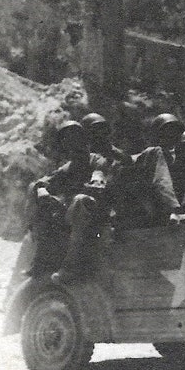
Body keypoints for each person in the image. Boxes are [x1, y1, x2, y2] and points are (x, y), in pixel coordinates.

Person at [26, 120, 110, 281]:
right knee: (44, 202)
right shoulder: (69, 167)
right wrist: (42, 189)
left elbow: (98, 183)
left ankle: (71, 267)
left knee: (79, 201)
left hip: (97, 215)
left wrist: (89, 186)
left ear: (84, 140)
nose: (72, 145)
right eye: (67, 141)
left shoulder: (97, 160)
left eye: (75, 139)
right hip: (75, 213)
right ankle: (42, 260)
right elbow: (44, 181)